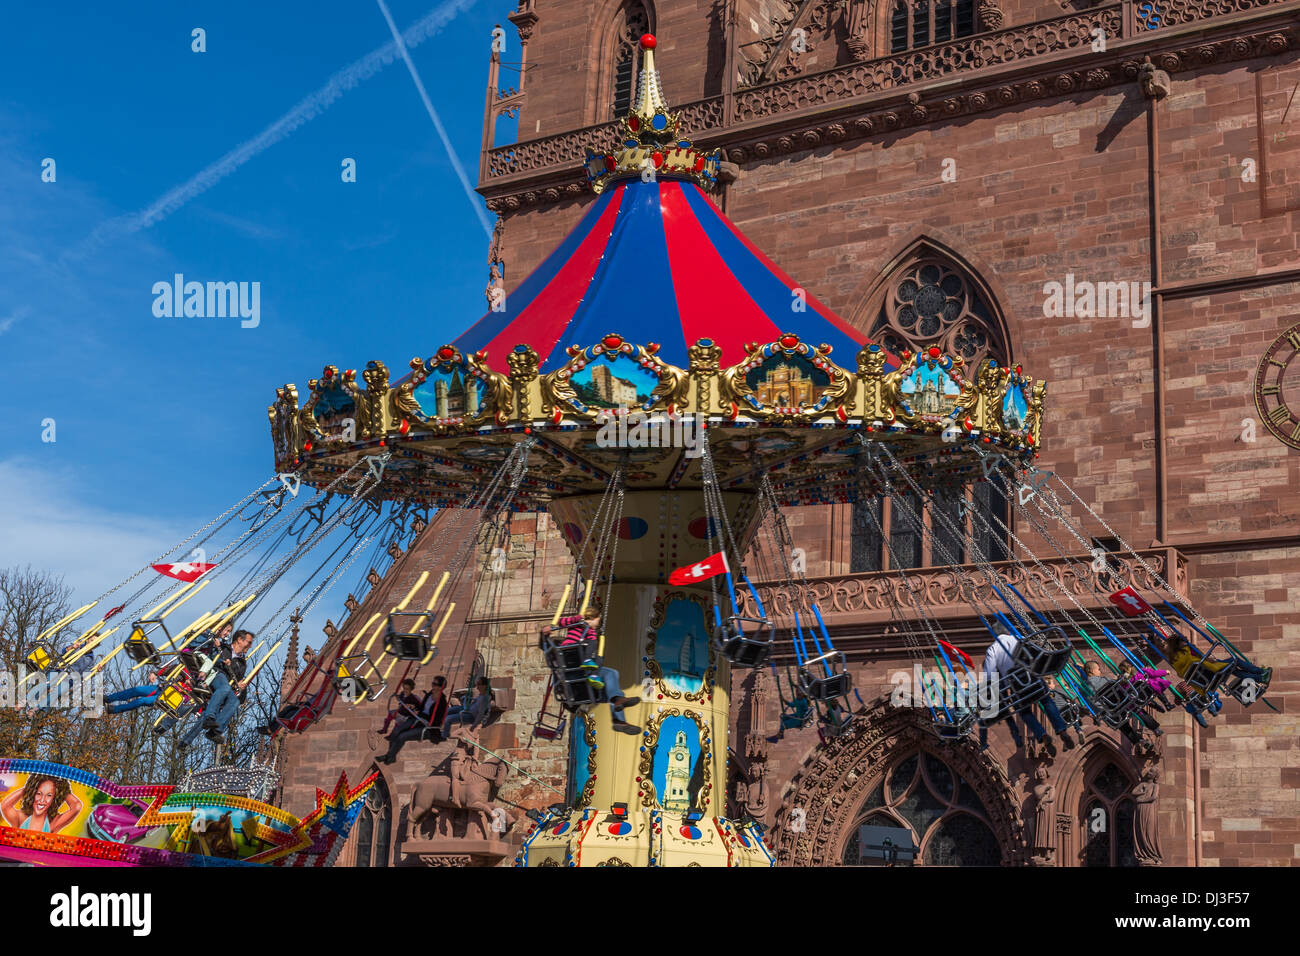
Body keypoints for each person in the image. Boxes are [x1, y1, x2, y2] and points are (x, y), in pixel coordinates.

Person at [540, 606, 641, 734]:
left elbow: (562, 622)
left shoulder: (573, 636)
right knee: (612, 674)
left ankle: (618, 714)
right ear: (593, 618)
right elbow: (586, 659)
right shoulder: (584, 637)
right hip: (581, 675)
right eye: (598, 619)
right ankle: (618, 712)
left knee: (611, 689)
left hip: (578, 680)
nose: (599, 623)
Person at [982, 633, 1076, 753]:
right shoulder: (1017, 637)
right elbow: (1032, 650)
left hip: (1015, 685)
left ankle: (1042, 735)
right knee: (1046, 700)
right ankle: (1062, 730)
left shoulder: (992, 649)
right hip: (1030, 675)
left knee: (1024, 711)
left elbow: (989, 674)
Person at [179, 629, 254, 749]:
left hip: (224, 687)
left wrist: (239, 686)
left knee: (234, 701)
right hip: (215, 674)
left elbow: (237, 680)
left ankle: (214, 730)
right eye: (249, 642)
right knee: (222, 690)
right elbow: (212, 657)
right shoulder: (223, 647)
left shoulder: (242, 663)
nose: (250, 646)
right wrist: (223, 660)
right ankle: (210, 717)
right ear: (240, 640)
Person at [377, 676, 448, 764]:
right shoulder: (430, 694)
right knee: (397, 730)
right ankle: (390, 755)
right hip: (418, 718)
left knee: (402, 736)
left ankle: (389, 756)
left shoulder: (442, 702)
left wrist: (428, 721)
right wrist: (413, 706)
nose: (432, 685)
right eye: (432, 683)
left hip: (427, 726)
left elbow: (438, 720)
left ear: (441, 687)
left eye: (435, 684)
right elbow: (421, 707)